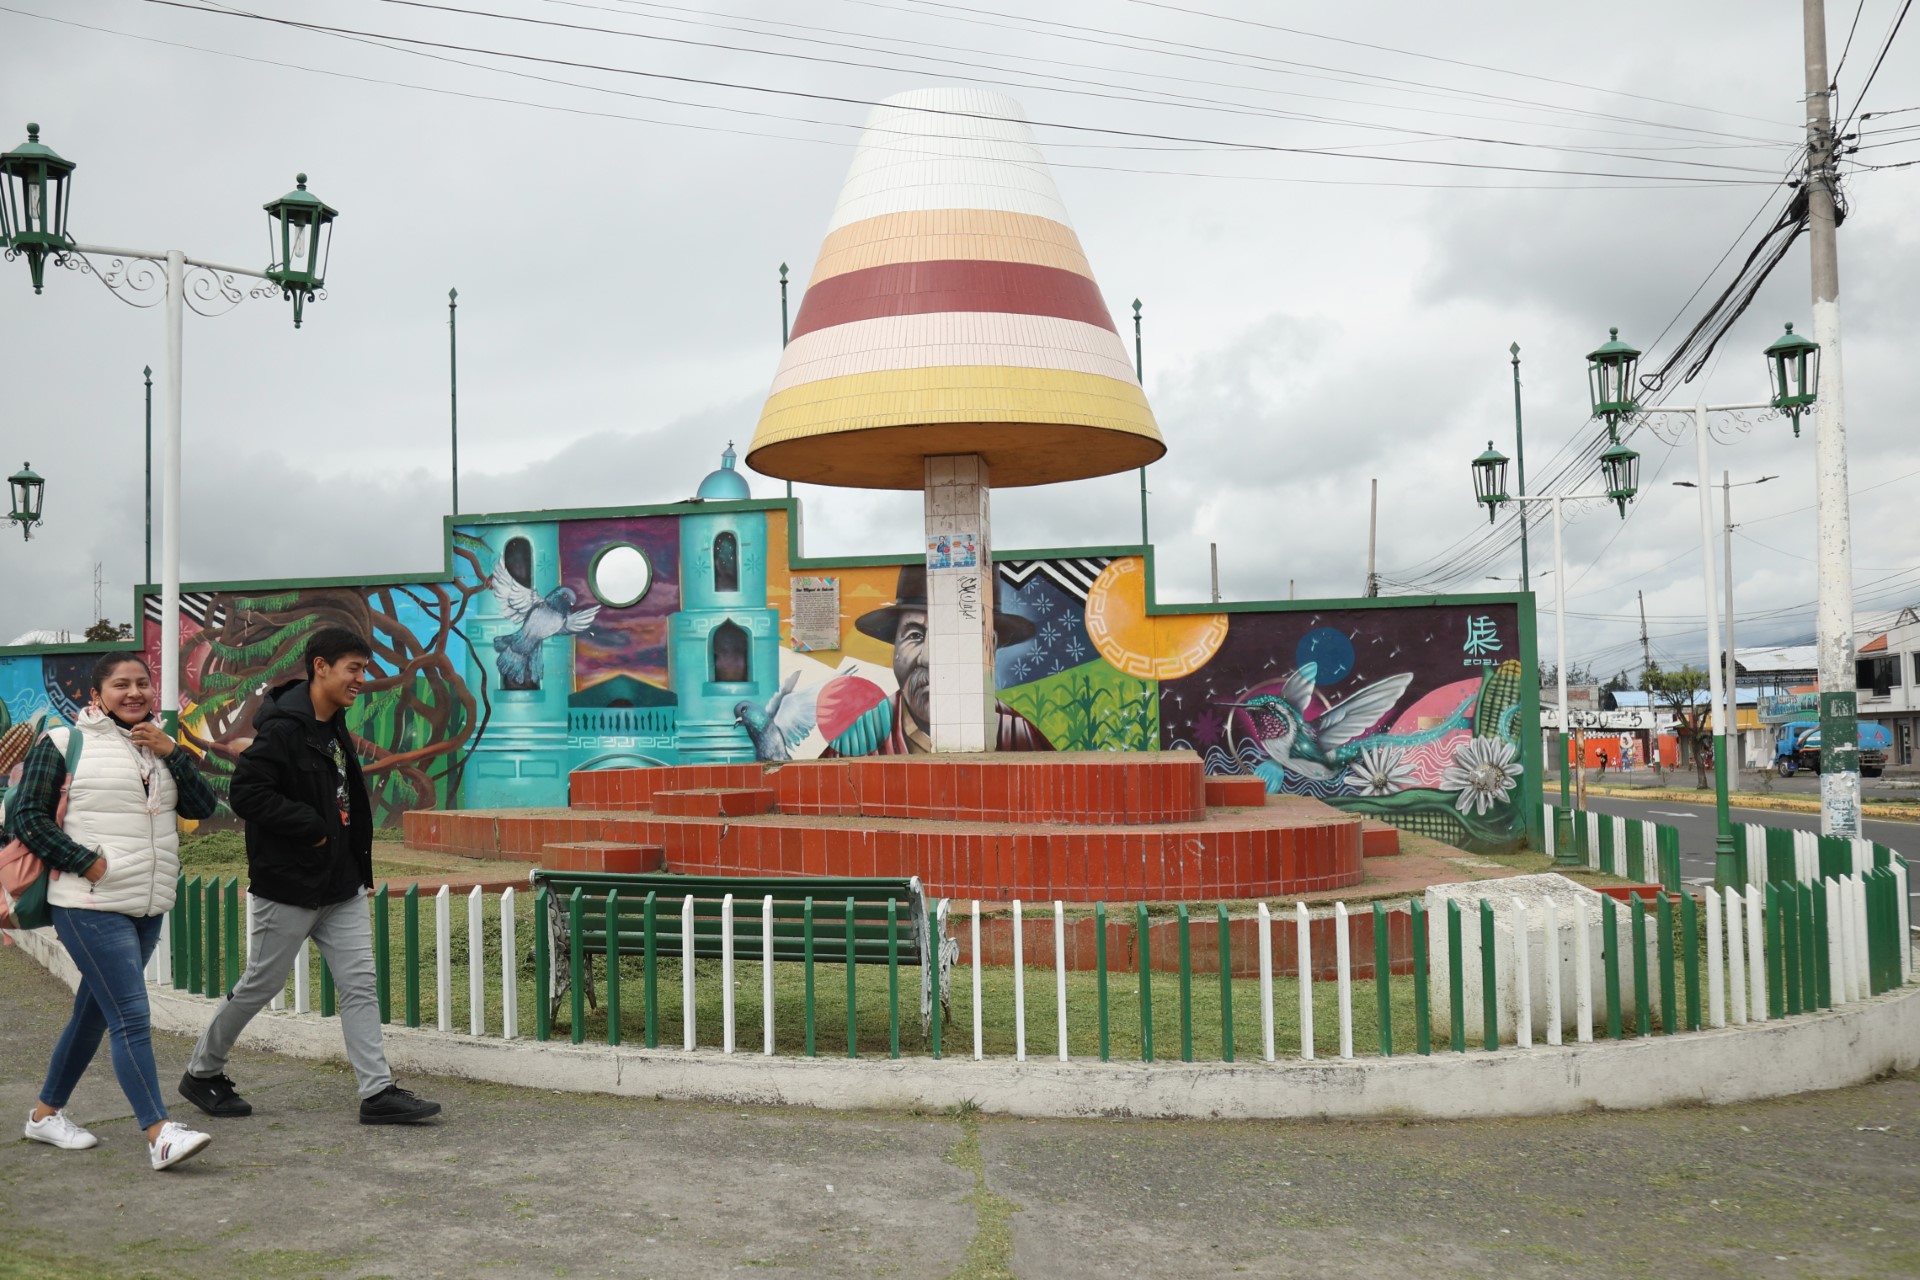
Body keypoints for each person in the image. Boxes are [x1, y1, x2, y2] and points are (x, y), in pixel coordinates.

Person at [178, 627, 440, 1126]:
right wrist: (312, 828)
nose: (362, 679)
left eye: (364, 669)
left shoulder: (332, 723)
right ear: (321, 667)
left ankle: (377, 1092)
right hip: (291, 884)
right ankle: (202, 1071)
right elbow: (248, 794)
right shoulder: (283, 728)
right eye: (353, 669)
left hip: (339, 885)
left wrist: (353, 862)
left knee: (359, 984)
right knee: (260, 983)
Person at [14, 653, 220, 1170]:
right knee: (130, 1014)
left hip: (146, 905)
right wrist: (88, 864)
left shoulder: (162, 747)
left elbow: (203, 807)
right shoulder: (63, 743)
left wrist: (173, 752)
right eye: (120, 685)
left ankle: (44, 1117)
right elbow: (29, 817)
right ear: (96, 695)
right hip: (87, 903)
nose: (135, 693)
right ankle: (159, 1132)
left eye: (142, 684)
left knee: (92, 1014)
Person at [840, 564, 1051, 755]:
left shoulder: (1016, 733)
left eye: (955, 636)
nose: (929, 659)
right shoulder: (859, 738)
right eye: (915, 636)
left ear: (990, 646)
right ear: (895, 644)